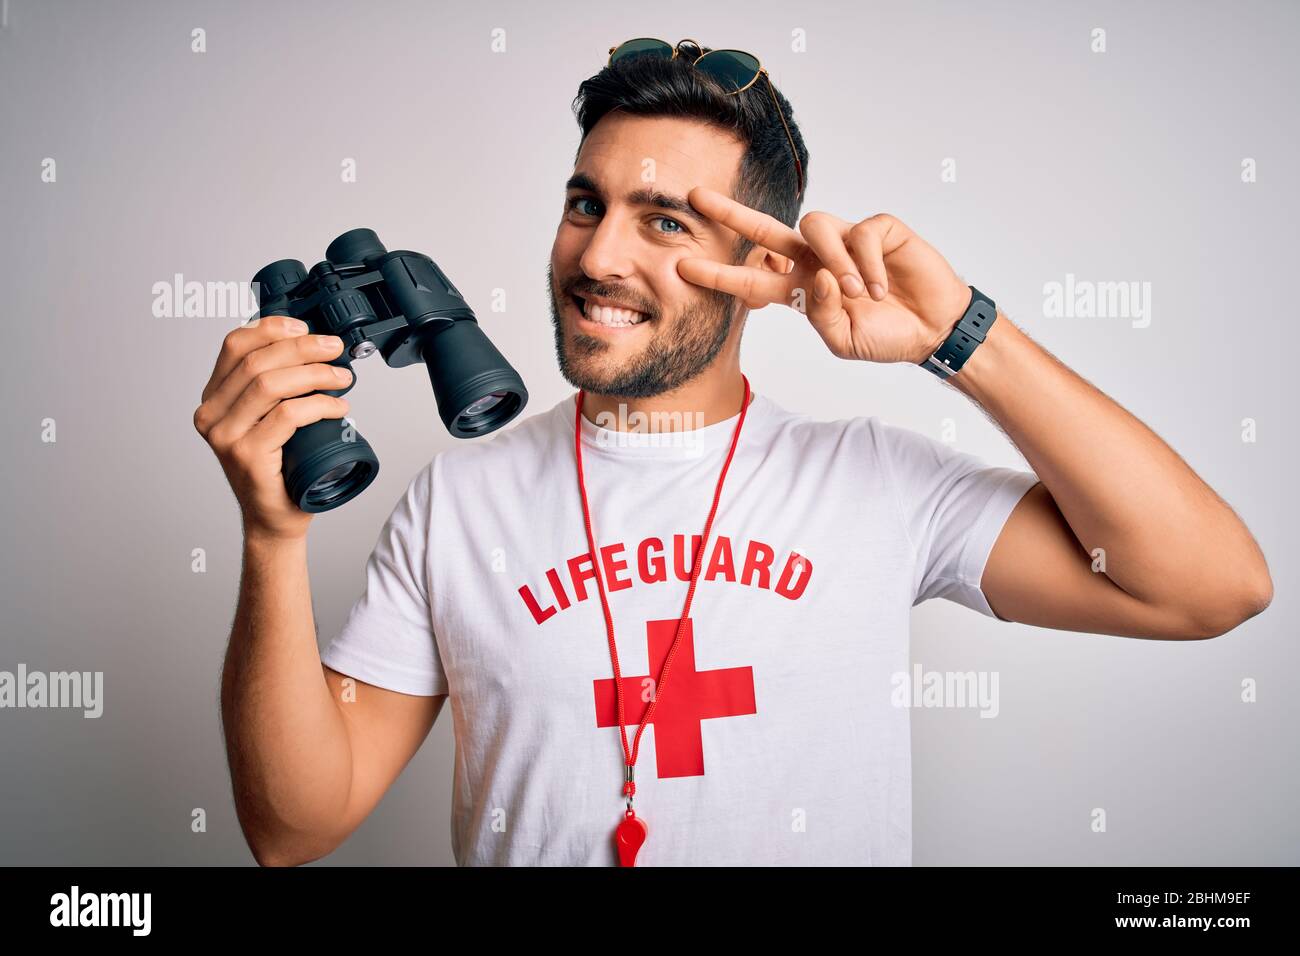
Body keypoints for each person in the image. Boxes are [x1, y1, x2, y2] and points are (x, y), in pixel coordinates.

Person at [193, 40, 1272, 867]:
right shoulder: (457, 499)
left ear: (759, 259)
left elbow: (1210, 585)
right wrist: (271, 531)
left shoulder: (875, 482)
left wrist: (962, 338)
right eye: (585, 203)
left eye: (663, 221)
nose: (598, 255)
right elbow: (295, 825)